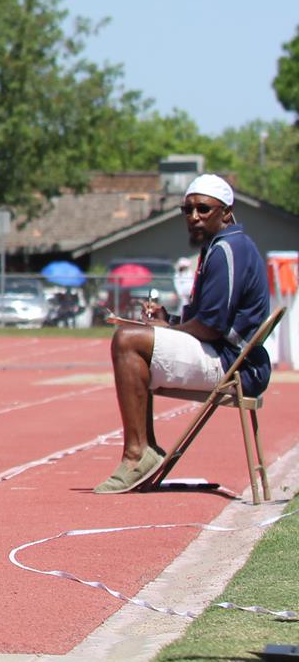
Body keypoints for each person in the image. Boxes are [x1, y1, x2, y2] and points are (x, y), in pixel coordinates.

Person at [95, 174, 272, 494]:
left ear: (226, 211)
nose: (193, 217)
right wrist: (168, 319)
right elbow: (206, 319)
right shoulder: (222, 246)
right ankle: (143, 449)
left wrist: (165, 329)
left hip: (236, 366)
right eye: (187, 210)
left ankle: (138, 453)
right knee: (136, 338)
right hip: (232, 357)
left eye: (203, 208)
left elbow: (211, 328)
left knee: (127, 340)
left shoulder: (229, 249)